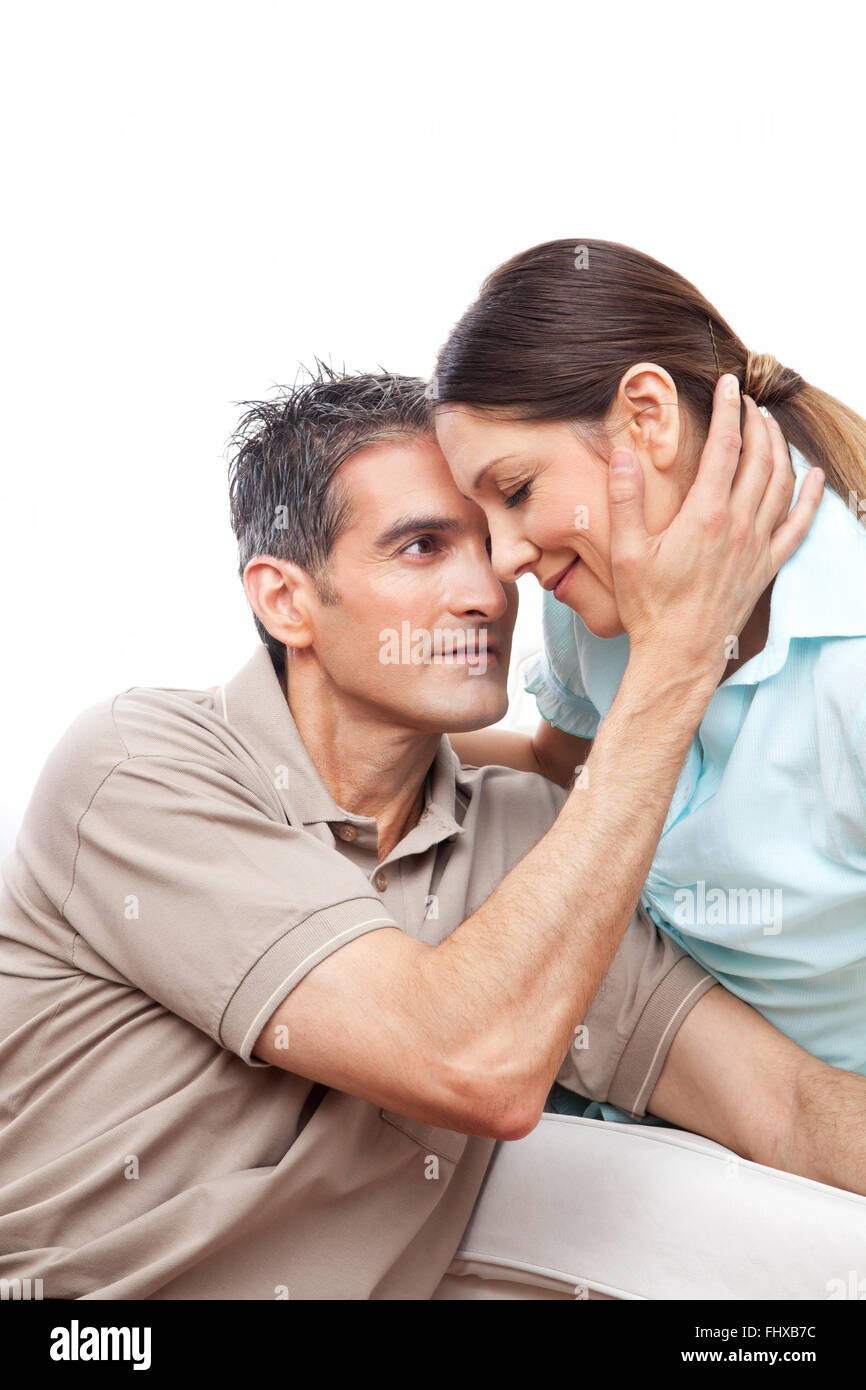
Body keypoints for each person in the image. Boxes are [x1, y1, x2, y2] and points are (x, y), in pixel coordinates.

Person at [0, 368, 851, 1304]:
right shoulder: (139, 766)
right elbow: (464, 1059)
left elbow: (786, 1111)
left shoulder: (526, 838)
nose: (486, 590)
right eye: (420, 547)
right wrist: (678, 655)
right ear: (286, 600)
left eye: (490, 544)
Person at [435, 238, 866, 1125]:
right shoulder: (593, 595)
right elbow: (564, 768)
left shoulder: (849, 673)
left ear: (647, 419)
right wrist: (318, 737)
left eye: (514, 491)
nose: (506, 557)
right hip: (654, 1084)